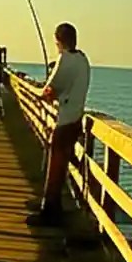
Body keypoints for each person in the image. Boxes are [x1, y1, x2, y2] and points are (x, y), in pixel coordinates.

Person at [27, 23, 91, 227]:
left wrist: (37, 92)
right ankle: (54, 209)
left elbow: (49, 92)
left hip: (65, 122)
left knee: (55, 167)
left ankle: (50, 212)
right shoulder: (83, 60)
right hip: (76, 120)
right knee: (61, 165)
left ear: (59, 41)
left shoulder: (66, 59)